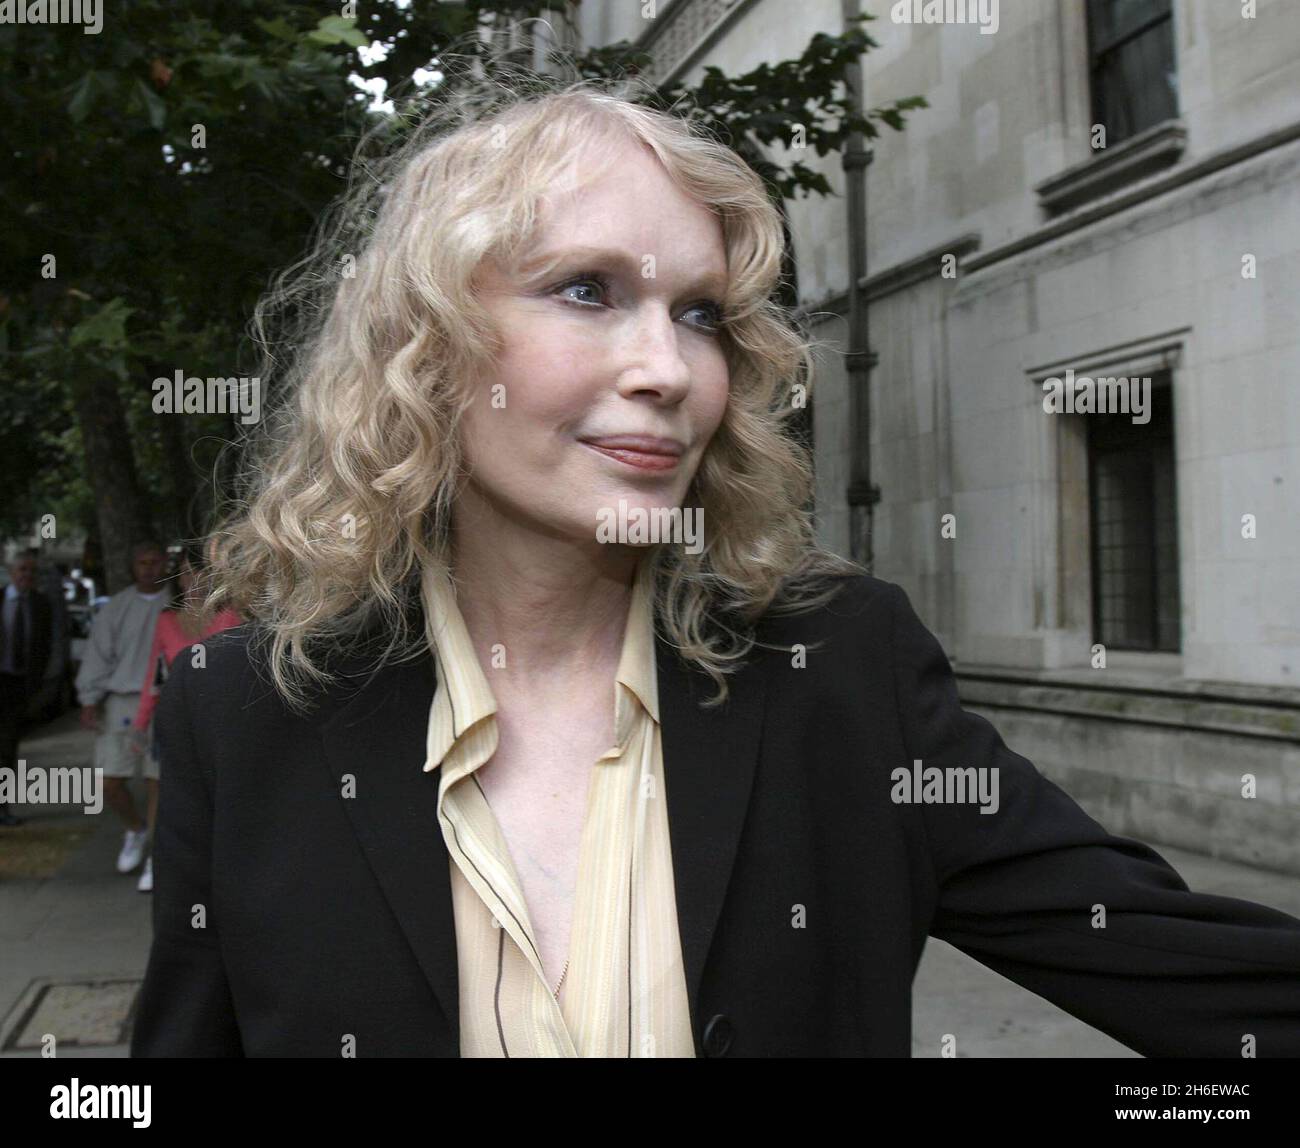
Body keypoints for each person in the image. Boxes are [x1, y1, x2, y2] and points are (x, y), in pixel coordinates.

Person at [130, 76, 1300, 1058]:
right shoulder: (245, 712)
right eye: (587, 290)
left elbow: (1184, 966)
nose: (668, 368)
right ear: (426, 348)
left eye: (699, 313)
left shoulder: (841, 669)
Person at [126, 544, 243, 893]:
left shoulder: (231, 616)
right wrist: (139, 723)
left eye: (203, 573)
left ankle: (220, 862)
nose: (195, 581)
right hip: (176, 718)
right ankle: (156, 859)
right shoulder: (166, 620)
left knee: (217, 794)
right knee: (161, 789)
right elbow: (154, 675)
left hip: (220, 720)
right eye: (189, 573)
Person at [75, 540, 168, 876]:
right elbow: (97, 655)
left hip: (165, 701)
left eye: (155, 562)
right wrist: (89, 699)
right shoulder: (116, 607)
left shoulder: (177, 605)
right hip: (123, 701)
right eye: (143, 562)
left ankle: (157, 853)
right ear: (133, 567)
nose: (149, 569)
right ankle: (136, 829)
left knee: (158, 780)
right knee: (109, 781)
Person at [0, 552, 58, 827]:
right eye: (22, 569)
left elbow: (44, 645)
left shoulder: (41, 605)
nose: (26, 575)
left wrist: (38, 682)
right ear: (11, 571)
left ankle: (2, 808)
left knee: (7, 749)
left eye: (32, 571)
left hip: (17, 686)